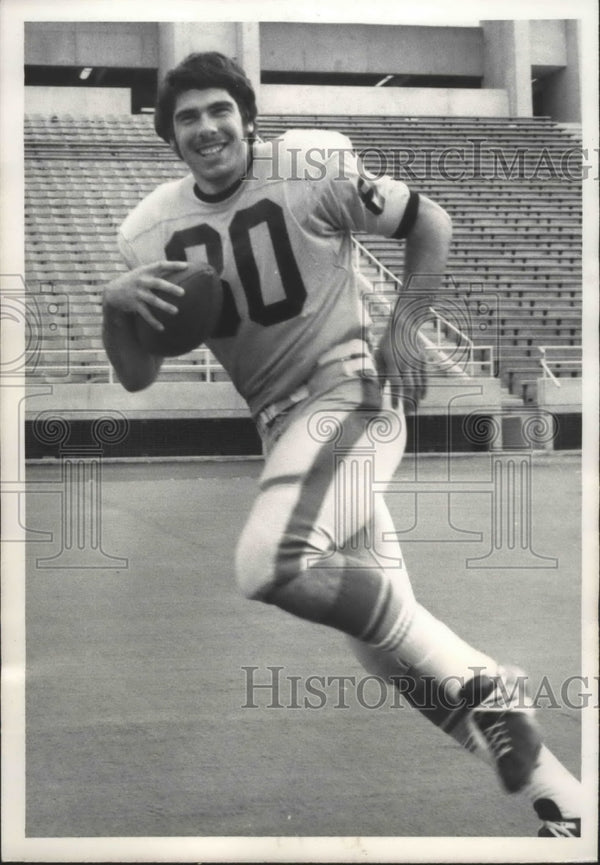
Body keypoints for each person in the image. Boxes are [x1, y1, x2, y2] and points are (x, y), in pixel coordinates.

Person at [102, 51, 582, 837]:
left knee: (272, 562)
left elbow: (431, 220)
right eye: (186, 117)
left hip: (349, 394)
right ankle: (565, 801)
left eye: (219, 109)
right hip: (285, 432)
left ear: (246, 116)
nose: (206, 127)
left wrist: (405, 325)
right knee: (391, 652)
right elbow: (134, 378)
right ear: (171, 137)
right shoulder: (147, 231)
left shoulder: (308, 162)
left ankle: (491, 684)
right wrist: (114, 308)